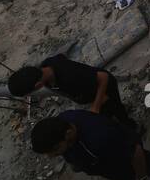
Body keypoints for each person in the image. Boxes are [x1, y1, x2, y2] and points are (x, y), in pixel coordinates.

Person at [8, 54, 139, 131]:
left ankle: (132, 127)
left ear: (38, 85)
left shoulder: (69, 75)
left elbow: (104, 78)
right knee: (107, 113)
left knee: (116, 110)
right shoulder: (46, 67)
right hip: (90, 92)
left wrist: (96, 106)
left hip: (105, 88)